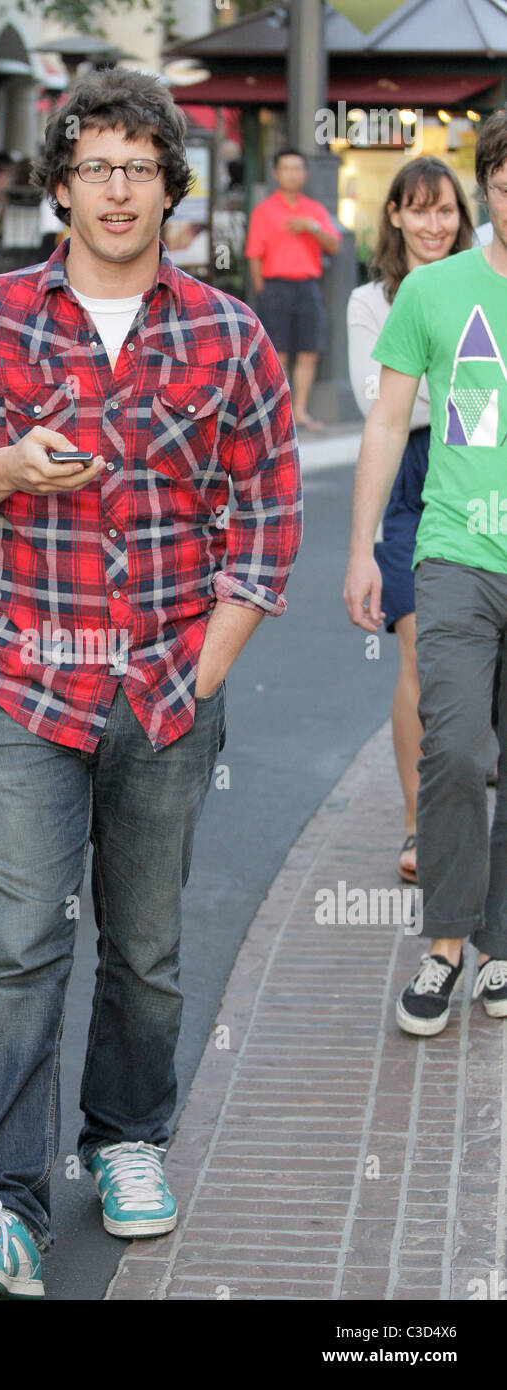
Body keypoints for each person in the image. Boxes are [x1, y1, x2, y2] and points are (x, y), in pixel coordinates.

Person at [0, 67, 302, 1299]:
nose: (116, 189)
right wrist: (6, 465)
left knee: (147, 945)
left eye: (139, 166)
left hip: (169, 691)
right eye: (94, 165)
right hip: (19, 683)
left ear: (171, 187)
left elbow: (268, 515)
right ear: (60, 184)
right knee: (17, 952)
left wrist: (203, 669)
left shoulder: (227, 333)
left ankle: (125, 1136)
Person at [344, 108, 507, 1037]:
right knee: (455, 749)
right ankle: (446, 946)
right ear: (487, 186)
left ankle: (502, 947)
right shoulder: (433, 294)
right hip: (453, 551)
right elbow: (382, 423)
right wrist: (363, 545)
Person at [347, 158, 474, 884]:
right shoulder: (372, 300)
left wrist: (429, 385)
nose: (433, 224)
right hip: (407, 483)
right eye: (418, 210)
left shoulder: (485, 283)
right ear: (394, 214)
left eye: (446, 210)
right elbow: (383, 406)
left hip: (479, 471)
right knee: (421, 653)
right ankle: (419, 823)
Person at [245, 148, 341, 430]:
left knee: (310, 351)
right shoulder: (264, 211)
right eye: (286, 168)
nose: (292, 173)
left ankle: (301, 412)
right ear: (276, 173)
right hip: (276, 287)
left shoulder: (315, 210)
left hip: (308, 286)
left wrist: (311, 227)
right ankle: (281, 412)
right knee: (279, 353)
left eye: (298, 168)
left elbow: (334, 245)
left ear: (305, 173)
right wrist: (264, 292)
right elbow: (253, 256)